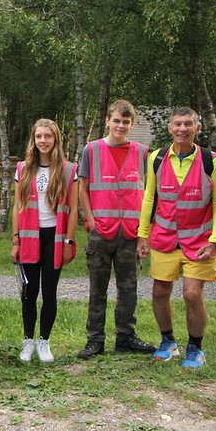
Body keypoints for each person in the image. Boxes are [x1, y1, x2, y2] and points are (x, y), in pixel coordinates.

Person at [137, 107, 216, 369]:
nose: (182, 129)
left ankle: (195, 348)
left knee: (191, 293)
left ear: (197, 129)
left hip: (200, 241)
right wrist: (143, 234)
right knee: (160, 291)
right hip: (165, 239)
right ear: (170, 128)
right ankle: (168, 342)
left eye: (188, 124)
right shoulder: (157, 158)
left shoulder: (212, 161)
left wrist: (215, 239)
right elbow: (149, 197)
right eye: (178, 124)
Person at [77, 100, 156, 360]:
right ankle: (95, 340)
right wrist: (90, 222)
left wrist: (144, 233)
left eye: (126, 122)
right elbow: (83, 188)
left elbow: (150, 193)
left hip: (131, 233)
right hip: (101, 231)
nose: (120, 126)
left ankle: (126, 337)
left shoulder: (143, 152)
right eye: (116, 120)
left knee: (129, 288)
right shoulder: (92, 149)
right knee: (97, 288)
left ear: (131, 124)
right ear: (108, 121)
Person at [11, 119, 78, 363]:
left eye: (48, 136)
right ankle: (27, 340)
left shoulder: (69, 170)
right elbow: (18, 206)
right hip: (29, 236)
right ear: (33, 140)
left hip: (55, 236)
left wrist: (69, 242)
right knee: (29, 292)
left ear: (55, 139)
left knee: (49, 292)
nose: (43, 141)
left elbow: (72, 208)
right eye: (39, 136)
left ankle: (44, 341)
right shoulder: (23, 168)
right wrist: (15, 240)